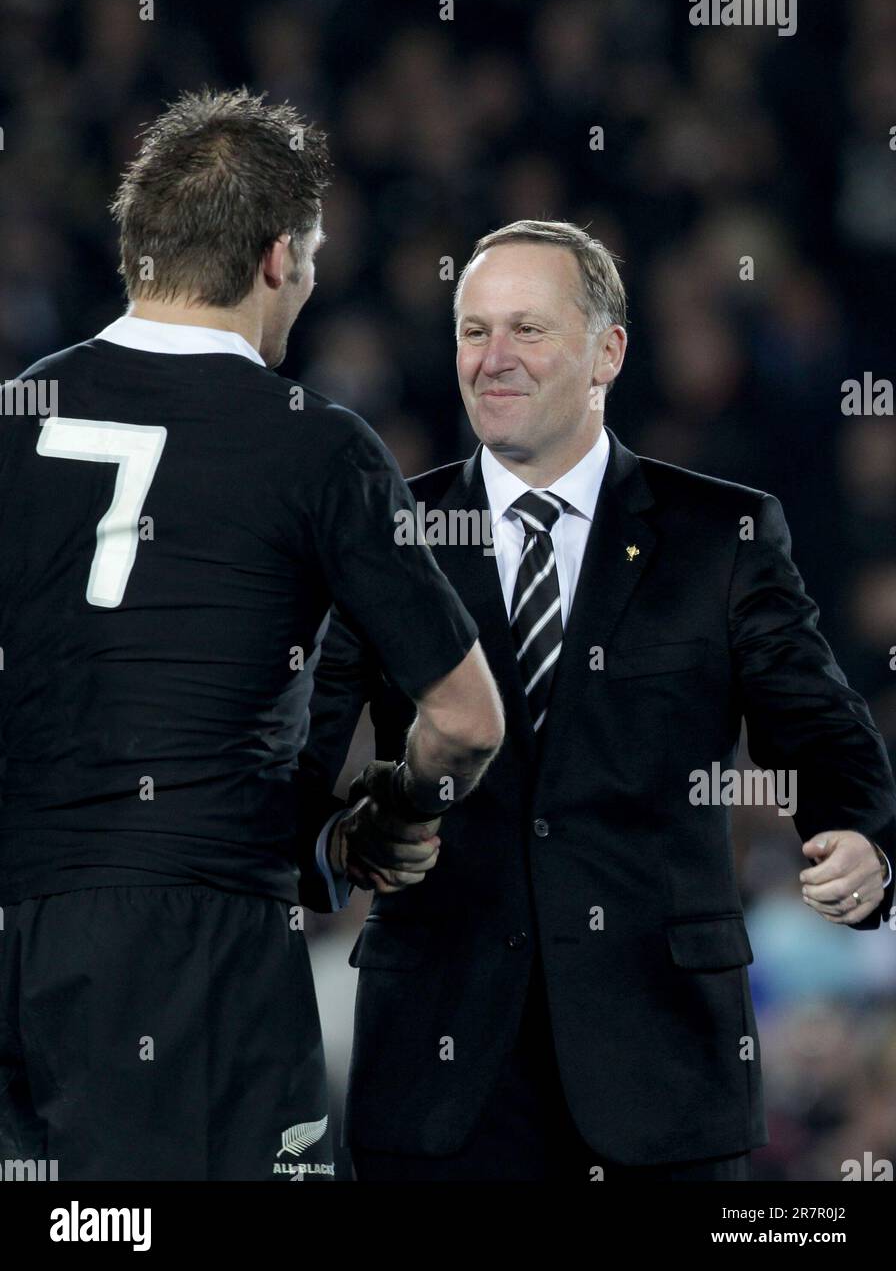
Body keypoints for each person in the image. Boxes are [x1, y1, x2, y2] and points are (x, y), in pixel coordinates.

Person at [299, 219, 896, 1182]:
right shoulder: (389, 533)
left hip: (665, 1082)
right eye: (474, 330)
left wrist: (859, 831)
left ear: (607, 351)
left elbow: (818, 722)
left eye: (528, 330)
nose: (493, 360)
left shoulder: (722, 534)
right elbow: (299, 756)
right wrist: (331, 845)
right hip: (440, 1080)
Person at [0, 88, 504, 1181]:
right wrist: (388, 813)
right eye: (313, 259)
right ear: (277, 259)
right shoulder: (314, 446)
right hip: (200, 947)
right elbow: (464, 719)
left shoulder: (15, 412)